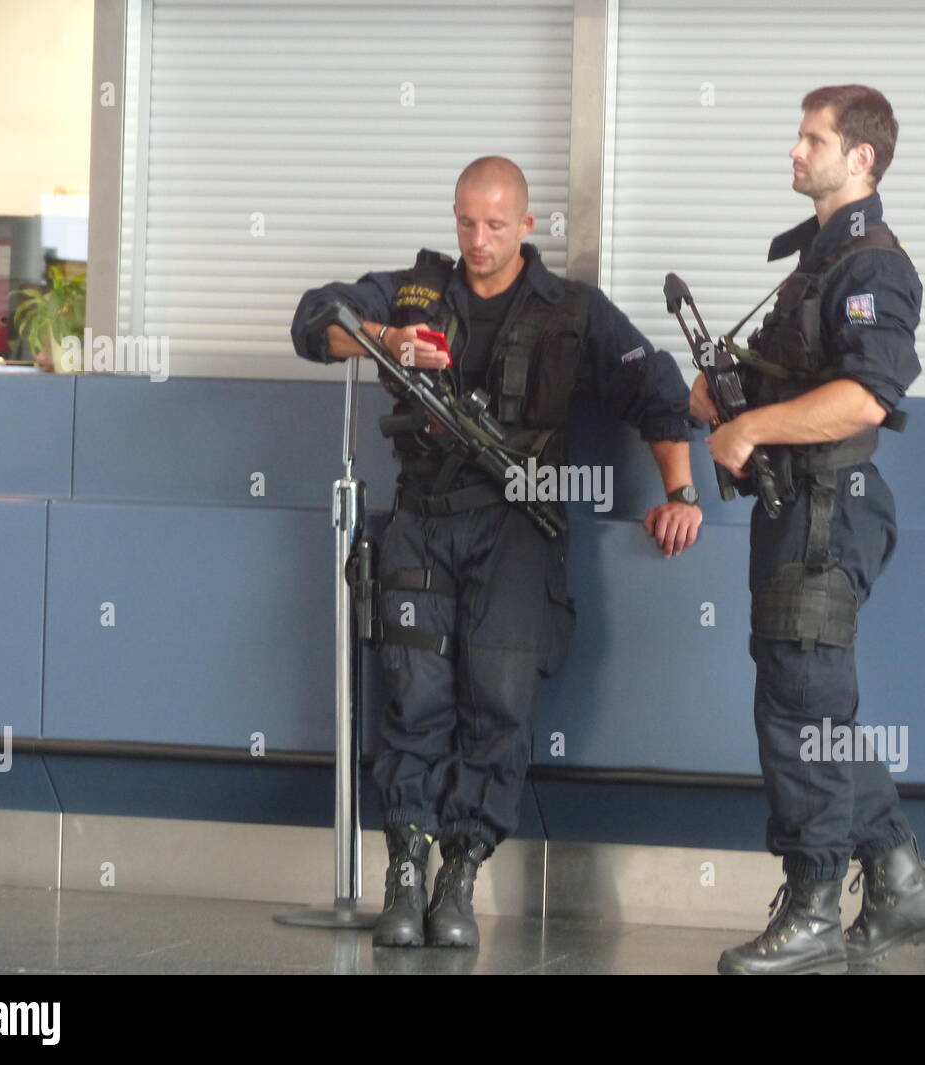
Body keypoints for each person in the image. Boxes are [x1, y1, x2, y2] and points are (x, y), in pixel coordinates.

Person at [291, 156, 702, 948]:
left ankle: (459, 878)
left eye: (494, 225)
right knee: (412, 700)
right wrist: (386, 342)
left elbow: (655, 387)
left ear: (526, 225)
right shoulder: (416, 293)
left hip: (516, 529)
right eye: (465, 223)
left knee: (499, 705)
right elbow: (314, 322)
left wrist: (679, 494)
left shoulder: (572, 310)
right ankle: (405, 872)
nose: (477, 241)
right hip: (421, 521)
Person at [694, 86, 925, 975]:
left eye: (812, 139)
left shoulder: (874, 268)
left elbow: (866, 395)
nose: (794, 153)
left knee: (800, 710)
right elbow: (790, 378)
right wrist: (728, 399)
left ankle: (813, 912)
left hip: (827, 514)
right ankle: (898, 876)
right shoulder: (813, 262)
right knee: (815, 706)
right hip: (793, 510)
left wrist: (753, 427)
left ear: (862, 159)